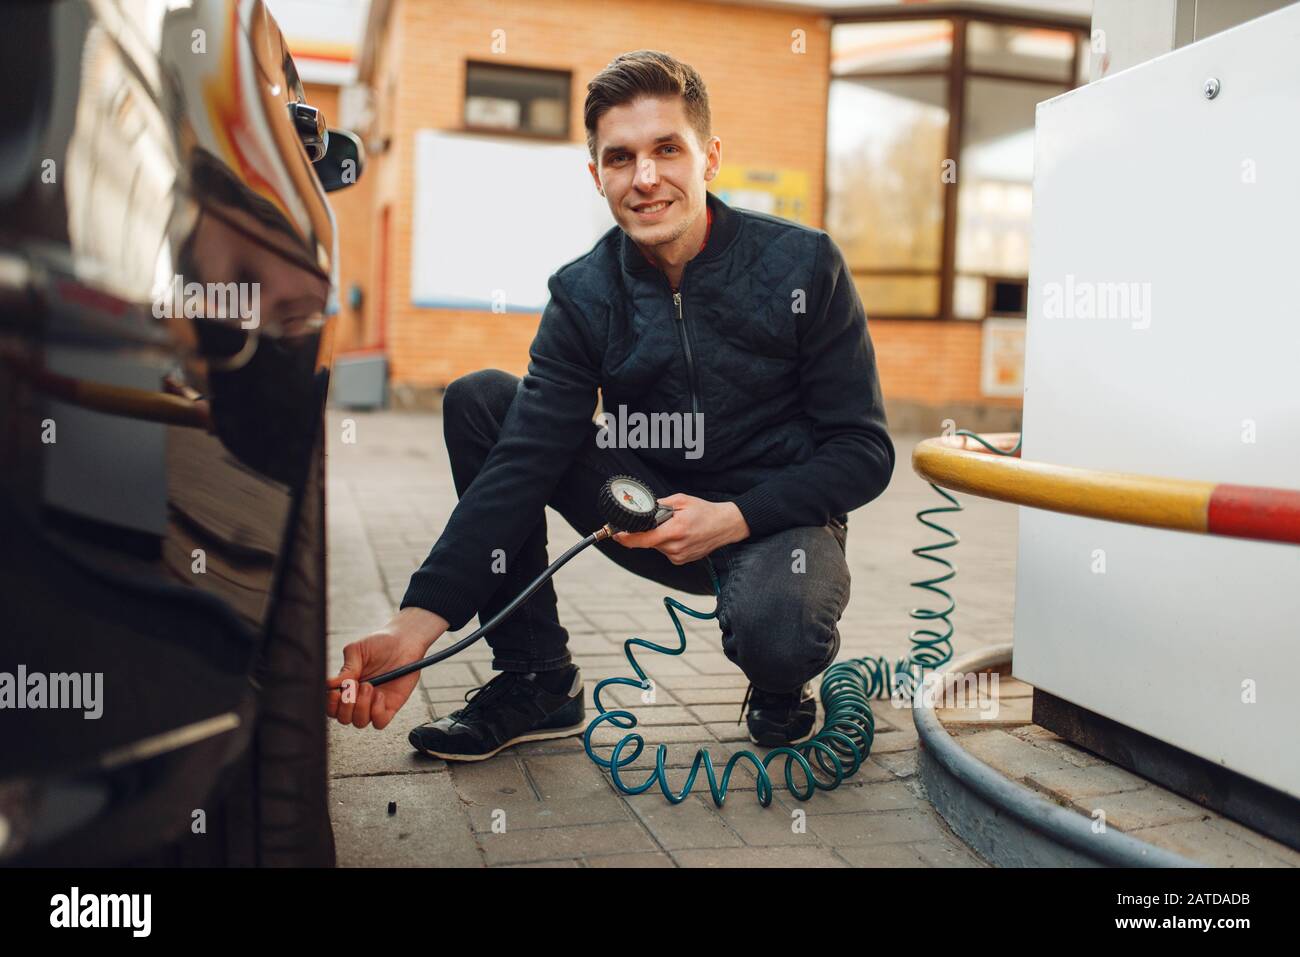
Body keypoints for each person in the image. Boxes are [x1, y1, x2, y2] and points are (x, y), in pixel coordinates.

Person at [326, 50, 894, 761]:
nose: (646, 177)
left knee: (779, 629)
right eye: (620, 158)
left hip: (774, 523)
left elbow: (864, 451)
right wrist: (415, 623)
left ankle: (779, 679)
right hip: (648, 513)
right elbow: (523, 460)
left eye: (667, 149)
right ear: (596, 175)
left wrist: (733, 518)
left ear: (709, 157)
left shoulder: (804, 266)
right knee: (482, 401)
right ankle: (535, 676)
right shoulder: (584, 294)